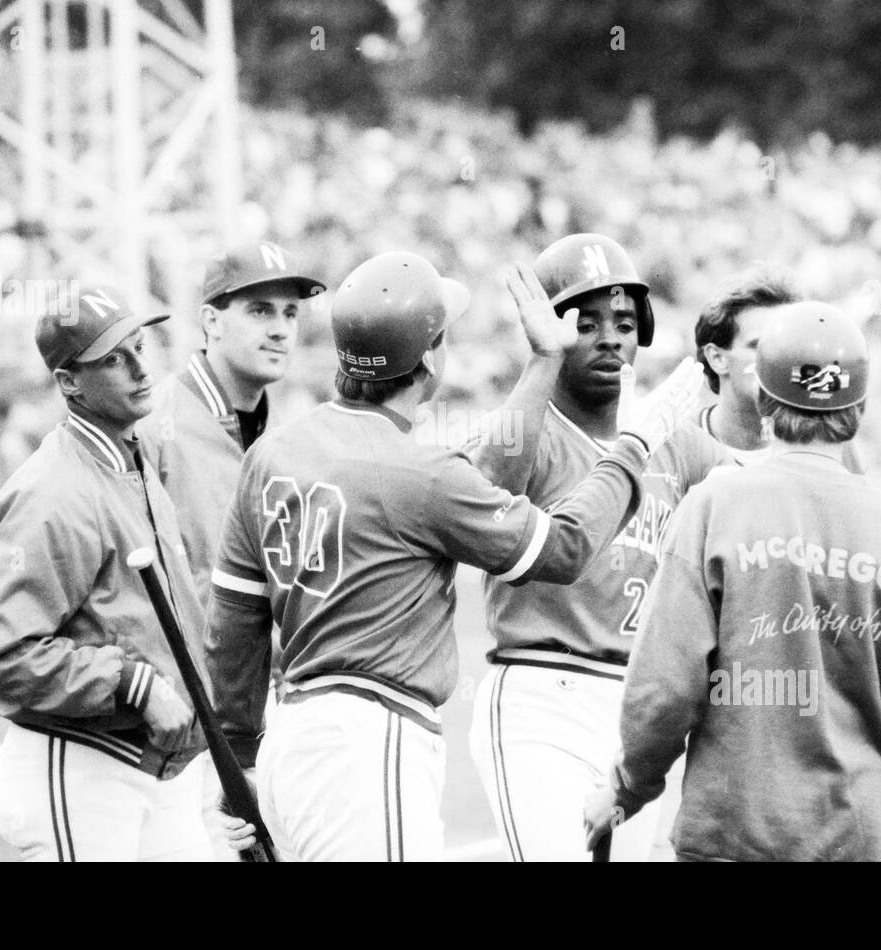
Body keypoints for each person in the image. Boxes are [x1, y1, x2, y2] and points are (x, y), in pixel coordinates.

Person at [210, 251, 695, 861]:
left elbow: (234, 621)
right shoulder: (421, 469)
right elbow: (564, 547)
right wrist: (635, 447)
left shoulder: (274, 454)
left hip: (290, 735)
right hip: (369, 740)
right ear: (431, 358)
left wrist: (240, 762)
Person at [585, 301, 881, 861]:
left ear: (766, 398)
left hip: (735, 833)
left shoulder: (714, 505)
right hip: (860, 838)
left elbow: (666, 691)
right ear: (858, 407)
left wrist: (626, 790)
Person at [465, 233, 731, 861]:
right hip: (539, 695)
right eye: (585, 323)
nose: (610, 337)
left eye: (623, 321)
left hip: (638, 709)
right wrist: (540, 364)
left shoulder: (673, 436)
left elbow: (767, 497)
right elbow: (481, 503)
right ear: (549, 331)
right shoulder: (524, 426)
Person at [0, 285, 212, 861]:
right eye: (113, 358)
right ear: (68, 383)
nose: (139, 367)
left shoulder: (131, 459)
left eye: (139, 346)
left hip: (152, 769)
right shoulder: (53, 490)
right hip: (77, 765)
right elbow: (7, 658)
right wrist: (134, 685)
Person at [138, 241, 325, 861]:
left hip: (255, 717)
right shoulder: (156, 423)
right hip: (178, 724)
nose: (280, 329)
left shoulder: (279, 434)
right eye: (260, 311)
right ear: (211, 320)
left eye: (291, 314)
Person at [694, 265, 864, 471]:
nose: (779, 359)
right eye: (760, 346)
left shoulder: (828, 445)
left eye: (789, 345)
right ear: (717, 358)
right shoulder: (681, 446)